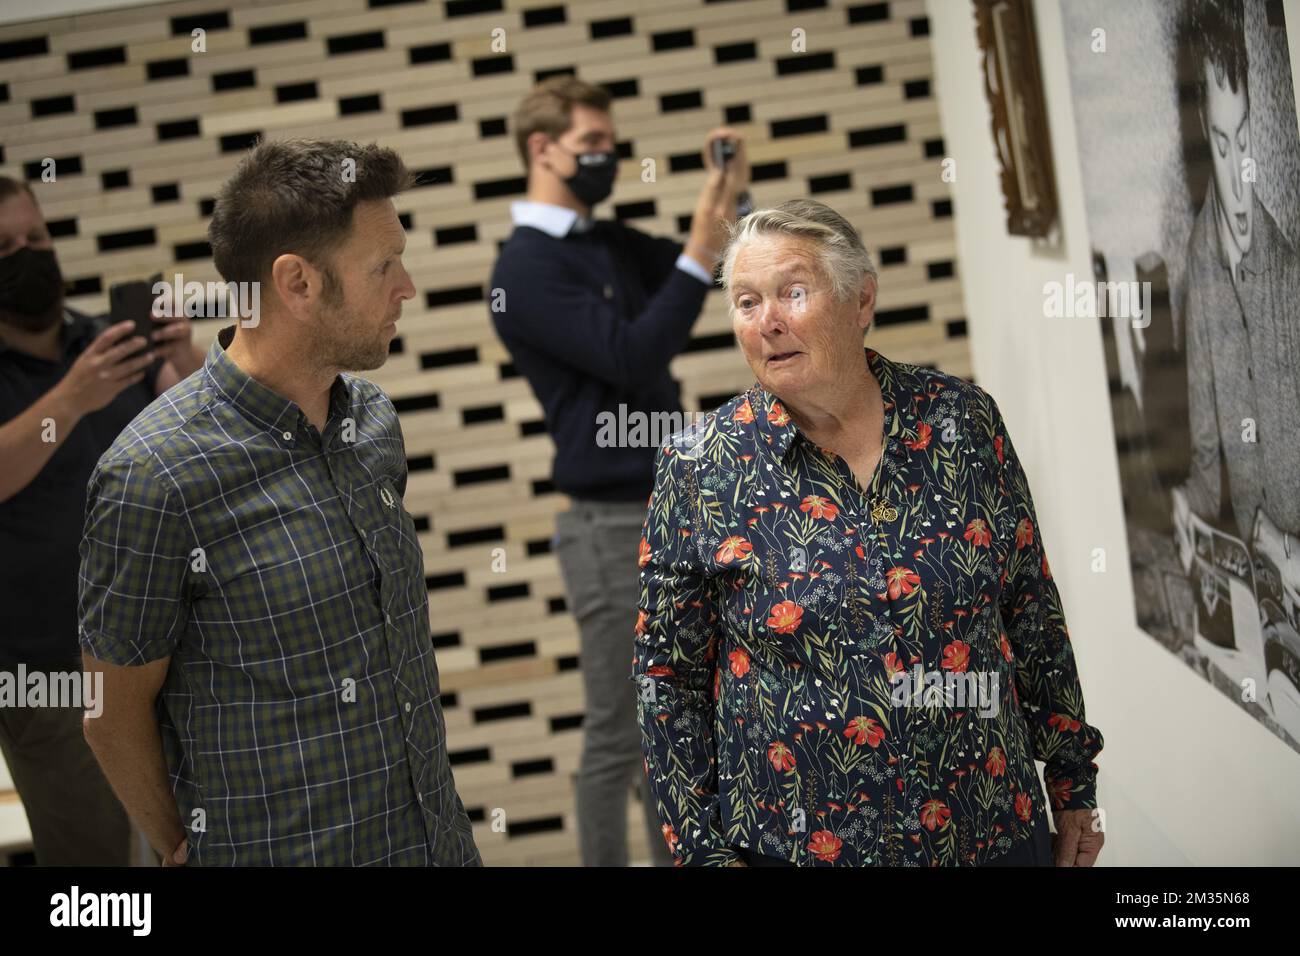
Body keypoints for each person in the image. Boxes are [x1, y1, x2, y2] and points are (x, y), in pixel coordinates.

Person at [633, 199, 1105, 866]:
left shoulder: (961, 422)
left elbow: (1030, 608)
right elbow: (666, 679)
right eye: (746, 302)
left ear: (861, 301)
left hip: (988, 831)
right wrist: (700, 853)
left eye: (793, 293)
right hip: (797, 848)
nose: (768, 322)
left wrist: (1073, 785)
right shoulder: (700, 466)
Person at [78, 139, 481, 866]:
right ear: (297, 283)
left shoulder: (373, 424)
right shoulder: (153, 474)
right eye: (383, 265)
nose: (407, 287)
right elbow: (111, 709)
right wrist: (181, 845)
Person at [489, 76, 749, 866]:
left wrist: (728, 195)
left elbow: (703, 272)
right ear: (543, 149)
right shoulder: (524, 270)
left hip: (673, 505)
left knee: (677, 724)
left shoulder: (605, 242)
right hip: (608, 525)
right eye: (592, 146)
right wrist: (700, 248)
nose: (607, 159)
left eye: (609, 145)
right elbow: (635, 354)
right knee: (619, 734)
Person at [0, 175, 204, 865]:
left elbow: (203, 448)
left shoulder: (109, 342)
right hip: (50, 672)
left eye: (36, 237)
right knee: (94, 865)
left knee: (193, 846)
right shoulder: (76, 375)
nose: (27, 254)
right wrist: (72, 397)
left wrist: (189, 362)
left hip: (167, 653)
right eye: (4, 247)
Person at [1172, 0, 1300, 607]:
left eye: (1245, 139)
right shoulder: (1201, 265)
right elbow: (1206, 467)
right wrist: (1185, 504)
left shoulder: (1288, 267)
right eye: (1221, 145)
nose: (1238, 173)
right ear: (1203, 131)